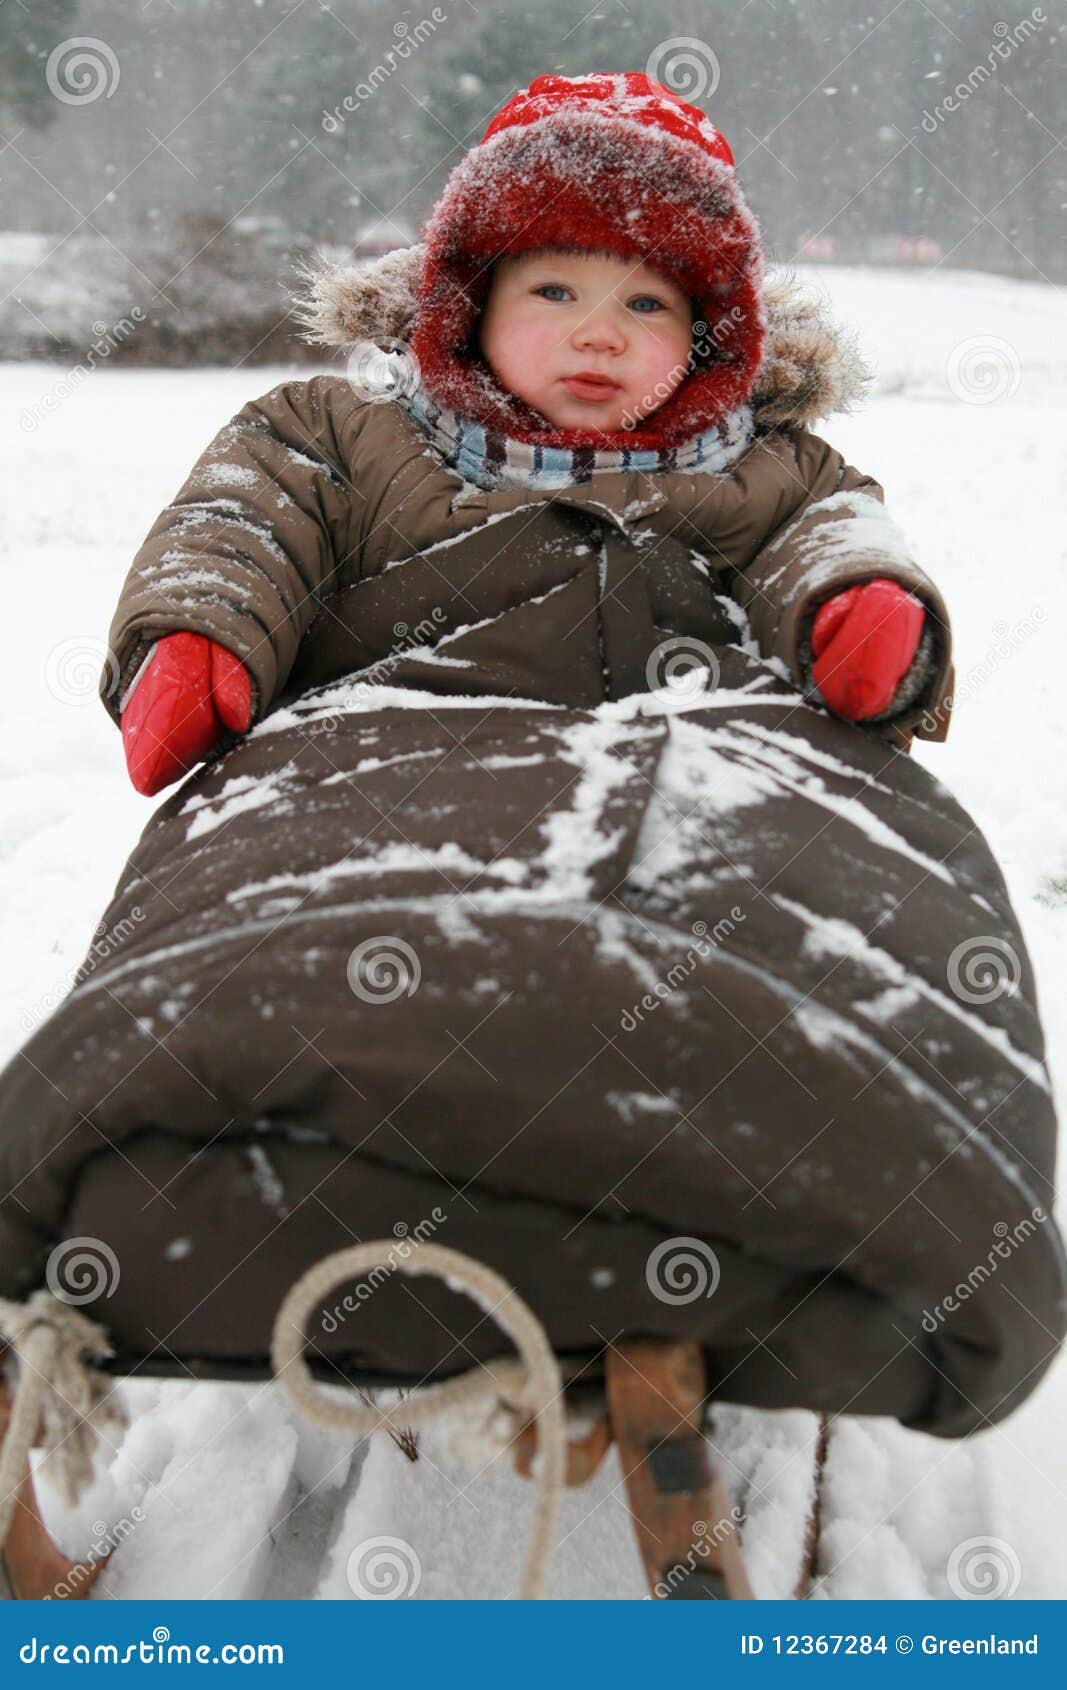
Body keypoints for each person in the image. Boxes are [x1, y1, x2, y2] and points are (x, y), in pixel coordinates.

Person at [106, 70, 953, 795]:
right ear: (471, 305)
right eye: (554, 292)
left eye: (646, 304)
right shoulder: (341, 436)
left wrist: (860, 615)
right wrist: (197, 637)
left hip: (697, 778)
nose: (598, 333)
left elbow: (832, 536)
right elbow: (242, 524)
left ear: (711, 334)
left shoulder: (768, 469)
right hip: (388, 774)